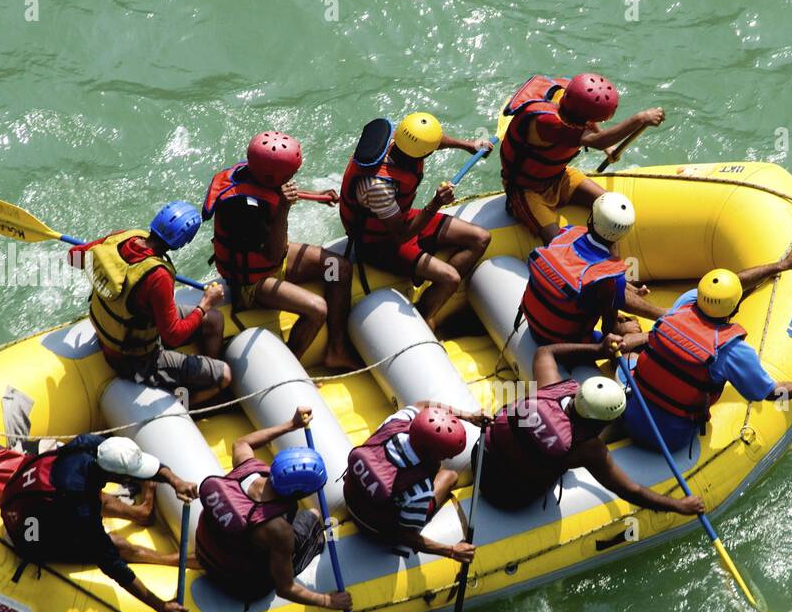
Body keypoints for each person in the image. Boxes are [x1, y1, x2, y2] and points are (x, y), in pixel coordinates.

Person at [618, 251, 792, 452]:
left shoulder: (685, 303)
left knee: (633, 358)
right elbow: (771, 393)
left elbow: (735, 282)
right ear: (735, 308)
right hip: (670, 438)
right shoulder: (731, 350)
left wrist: (781, 265)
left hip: (629, 415)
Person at [479, 338, 707, 515]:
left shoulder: (549, 388)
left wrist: (598, 349)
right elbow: (630, 490)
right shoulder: (589, 450)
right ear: (604, 422)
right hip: (510, 498)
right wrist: (679, 505)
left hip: (480, 460)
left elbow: (545, 352)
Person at [0, 435, 199, 612]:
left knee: (96, 497)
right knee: (117, 544)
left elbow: (93, 487)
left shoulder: (89, 444)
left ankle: (140, 513)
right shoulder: (79, 505)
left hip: (41, 495)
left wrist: (176, 481)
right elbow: (112, 564)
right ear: (116, 476)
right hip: (32, 535)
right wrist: (160, 607)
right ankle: (171, 559)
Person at [203, 132, 358, 368]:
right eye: (291, 173)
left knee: (339, 269)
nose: (293, 176)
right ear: (273, 175)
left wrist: (315, 196)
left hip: (275, 263)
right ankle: (291, 367)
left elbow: (271, 190)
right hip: (252, 284)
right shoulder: (243, 209)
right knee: (316, 310)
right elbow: (272, 255)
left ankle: (336, 349)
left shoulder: (254, 171)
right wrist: (284, 208)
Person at [339, 113, 493, 331]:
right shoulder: (377, 186)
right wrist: (436, 203)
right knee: (450, 278)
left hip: (400, 218)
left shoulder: (400, 139)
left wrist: (467, 145)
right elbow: (401, 235)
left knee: (481, 238)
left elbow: (433, 141)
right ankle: (426, 314)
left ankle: (433, 291)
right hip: (379, 243)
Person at [195, 407, 352, 611]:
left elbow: (242, 443)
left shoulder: (249, 469)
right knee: (313, 516)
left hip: (205, 554)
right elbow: (285, 589)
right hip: (239, 584)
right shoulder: (278, 530)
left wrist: (291, 425)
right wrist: (328, 601)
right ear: (298, 493)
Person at [75, 201, 231, 405]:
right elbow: (173, 336)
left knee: (215, 320)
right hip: (134, 359)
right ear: (183, 241)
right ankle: (192, 404)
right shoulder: (158, 277)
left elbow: (75, 257)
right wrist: (206, 304)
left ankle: (201, 372)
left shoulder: (123, 237)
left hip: (117, 329)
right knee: (225, 374)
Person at [499, 73, 666, 243]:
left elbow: (588, 122)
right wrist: (640, 119)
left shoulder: (569, 100)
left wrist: (608, 148)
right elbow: (597, 141)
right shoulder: (547, 122)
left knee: (611, 207)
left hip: (558, 178)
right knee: (556, 242)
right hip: (527, 190)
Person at [520, 192, 665, 356]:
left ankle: (661, 315)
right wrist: (624, 328)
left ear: (592, 217)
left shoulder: (567, 233)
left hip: (534, 325)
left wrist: (626, 288)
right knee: (637, 338)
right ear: (623, 234)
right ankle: (663, 323)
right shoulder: (611, 278)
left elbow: (589, 271)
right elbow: (609, 330)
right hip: (565, 344)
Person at [343, 401, 484, 562]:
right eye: (446, 455)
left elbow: (423, 405)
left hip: (350, 497)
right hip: (373, 528)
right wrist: (451, 551)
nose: (449, 457)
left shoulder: (394, 423)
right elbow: (406, 535)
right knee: (449, 476)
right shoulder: (419, 491)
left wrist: (467, 416)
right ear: (432, 455)